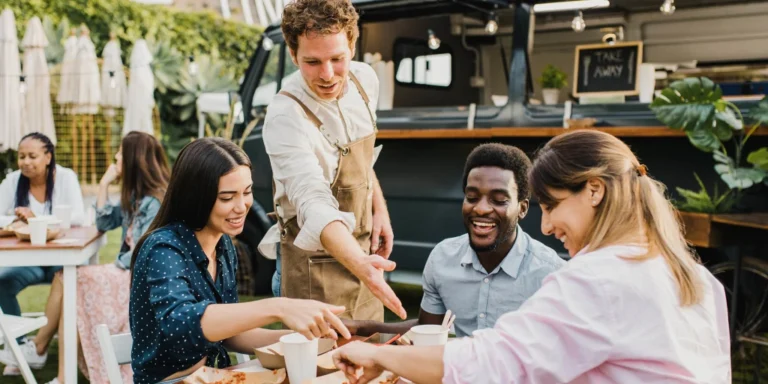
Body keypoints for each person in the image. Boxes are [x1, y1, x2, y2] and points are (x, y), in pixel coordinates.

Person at [330, 130, 731, 384]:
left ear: (594, 190)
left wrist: (379, 355)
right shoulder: (696, 278)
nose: (547, 225)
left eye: (551, 205)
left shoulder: (597, 279)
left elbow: (497, 362)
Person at [129, 138, 352, 384]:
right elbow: (180, 324)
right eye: (227, 198)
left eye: (247, 192)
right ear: (195, 197)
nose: (242, 206)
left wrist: (307, 338)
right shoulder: (164, 248)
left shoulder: (223, 245)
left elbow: (229, 334)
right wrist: (280, 307)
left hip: (216, 377)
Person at [258, 0, 405, 321]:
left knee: (369, 351)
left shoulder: (365, 81)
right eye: (312, 62)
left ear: (352, 46)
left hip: (363, 254)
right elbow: (313, 202)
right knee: (317, 354)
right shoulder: (285, 115)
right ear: (293, 54)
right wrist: (361, 265)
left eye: (337, 59)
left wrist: (379, 210)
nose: (327, 75)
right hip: (310, 267)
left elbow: (363, 161)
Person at [343, 144, 565, 338]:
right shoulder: (442, 258)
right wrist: (359, 327)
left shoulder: (550, 274)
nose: (481, 208)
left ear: (522, 209)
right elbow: (427, 330)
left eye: (499, 200)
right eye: (472, 197)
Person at [0, 132, 170, 383]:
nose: (116, 158)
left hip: (135, 276)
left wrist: (116, 266)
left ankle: (41, 350)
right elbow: (103, 222)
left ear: (134, 159)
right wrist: (103, 185)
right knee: (69, 279)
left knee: (70, 278)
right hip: (125, 271)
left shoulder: (154, 201)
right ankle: (46, 357)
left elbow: (143, 253)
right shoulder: (136, 196)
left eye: (120, 154)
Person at [0, 132, 85, 375]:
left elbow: (78, 216)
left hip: (62, 260)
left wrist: (37, 218)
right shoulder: (12, 181)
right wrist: (16, 219)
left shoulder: (66, 178)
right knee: (2, 282)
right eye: (21, 156)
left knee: (70, 278)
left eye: (32, 156)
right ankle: (19, 348)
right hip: (30, 262)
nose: (26, 162)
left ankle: (40, 345)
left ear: (48, 157)